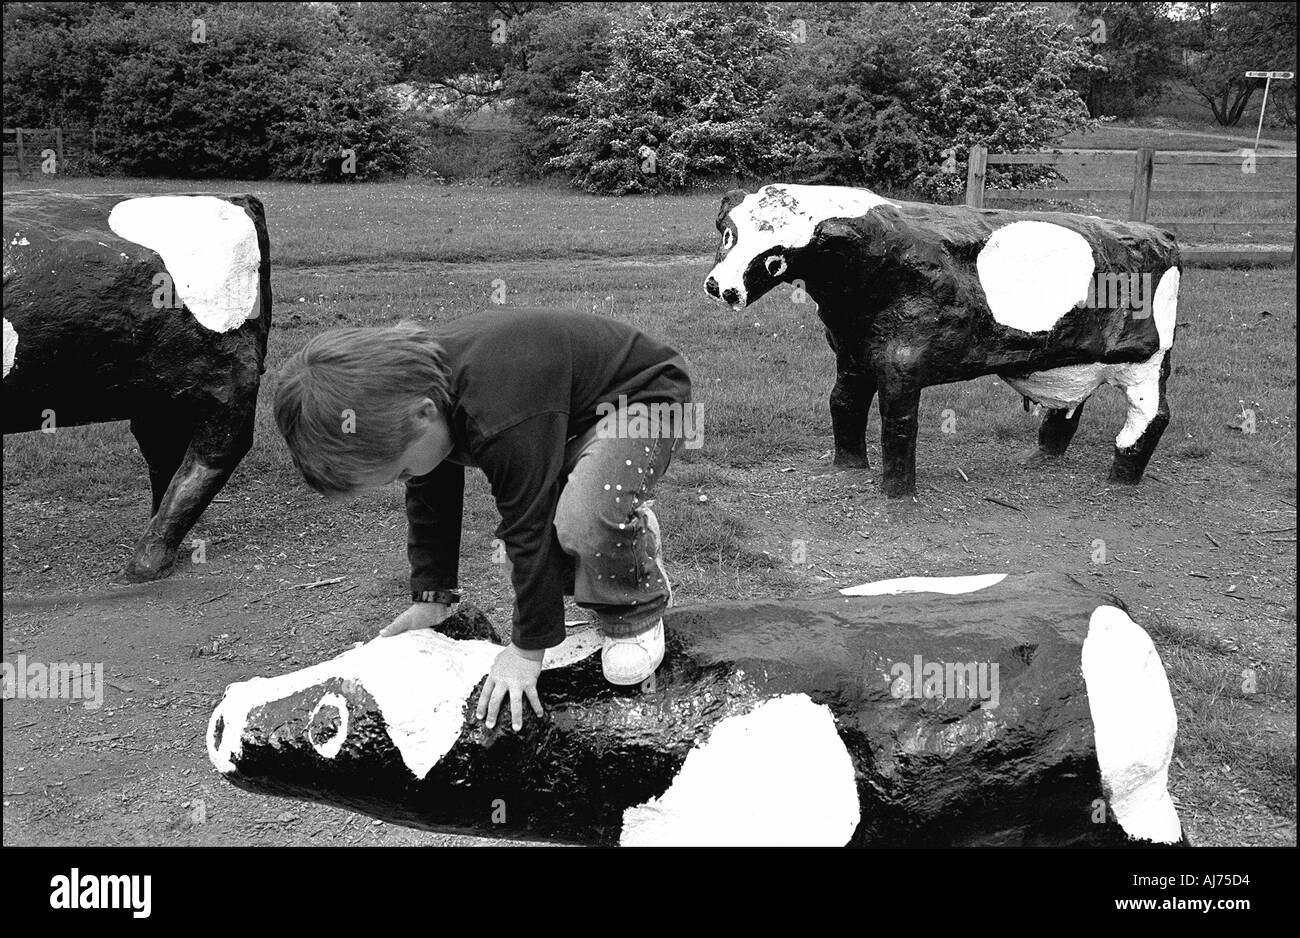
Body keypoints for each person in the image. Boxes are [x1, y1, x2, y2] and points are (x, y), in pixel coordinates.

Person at [274, 308, 692, 732]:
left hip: (644, 399)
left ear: (423, 413)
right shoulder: (421, 397)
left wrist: (527, 652)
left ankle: (634, 612)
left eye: (400, 470)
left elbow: (530, 522)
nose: (407, 480)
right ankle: (626, 540)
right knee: (541, 547)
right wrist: (431, 598)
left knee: (580, 518)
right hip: (567, 417)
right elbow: (430, 492)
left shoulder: (497, 407)